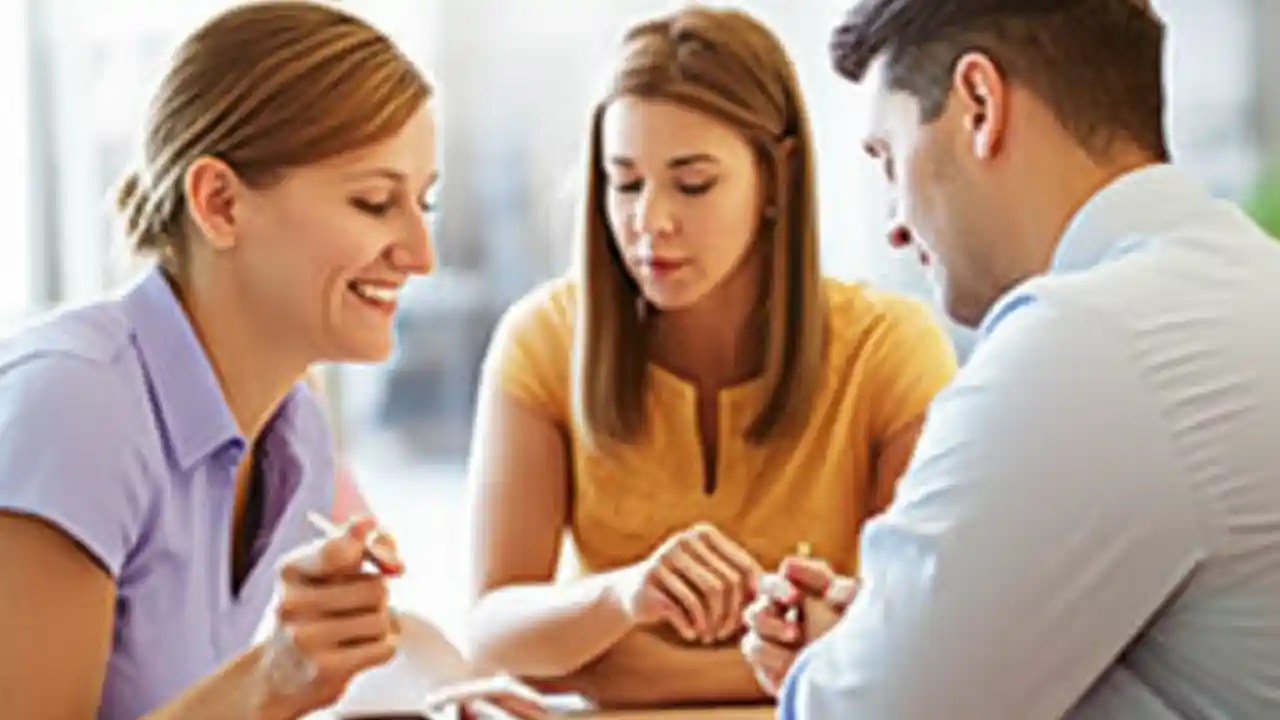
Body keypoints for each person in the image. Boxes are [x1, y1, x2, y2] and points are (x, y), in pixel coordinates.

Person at [0, 4, 542, 719]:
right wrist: (268, 683)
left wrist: (453, 698)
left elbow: (376, 640)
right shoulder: (74, 407)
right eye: (375, 202)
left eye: (423, 203)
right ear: (219, 203)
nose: (421, 254)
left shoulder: (292, 425)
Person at [741, 1, 1280, 717]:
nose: (895, 226)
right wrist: (900, 635)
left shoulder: (1083, 343)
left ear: (979, 105)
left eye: (888, 159)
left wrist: (838, 665)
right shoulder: (1249, 281)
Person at [465, 5, 957, 708]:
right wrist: (621, 597)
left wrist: (609, 669)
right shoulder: (542, 340)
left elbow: (915, 646)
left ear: (777, 178)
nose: (650, 221)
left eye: (693, 182)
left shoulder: (888, 350)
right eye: (625, 182)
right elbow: (490, 631)